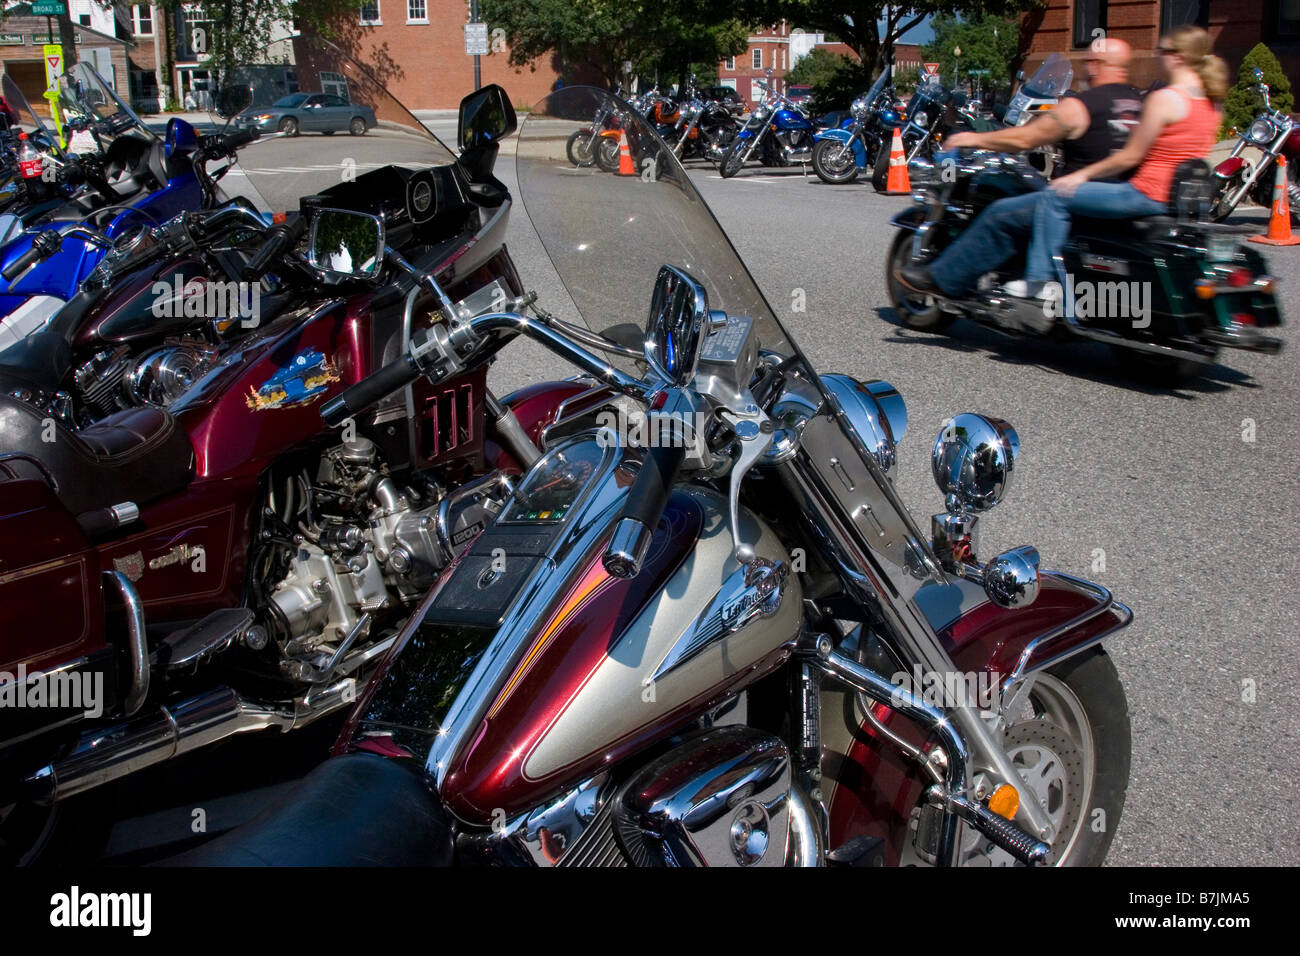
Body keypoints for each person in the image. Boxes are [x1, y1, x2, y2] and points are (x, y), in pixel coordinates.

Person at [896, 38, 1142, 299]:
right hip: (1123, 200)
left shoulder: (1083, 105)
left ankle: (942, 279)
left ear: (1096, 65)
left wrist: (972, 138)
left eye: (1087, 62)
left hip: (1078, 202)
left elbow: (1026, 138)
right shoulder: (1139, 104)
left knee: (999, 213)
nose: (1085, 69)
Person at [1022, 25, 1226, 295]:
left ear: (1178, 57)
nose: (1158, 56)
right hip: (1179, 200)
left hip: (1146, 192)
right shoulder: (1212, 103)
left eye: (1162, 51)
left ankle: (1038, 282)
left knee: (1054, 195)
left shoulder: (1165, 99)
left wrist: (1079, 175)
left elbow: (1131, 155)